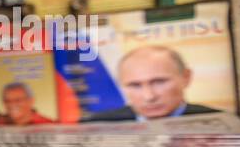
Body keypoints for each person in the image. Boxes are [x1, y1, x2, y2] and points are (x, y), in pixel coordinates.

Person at [85, 46, 219, 121]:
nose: (149, 96)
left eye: (159, 82)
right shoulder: (97, 126)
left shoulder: (223, 124)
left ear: (186, 77)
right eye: (135, 85)